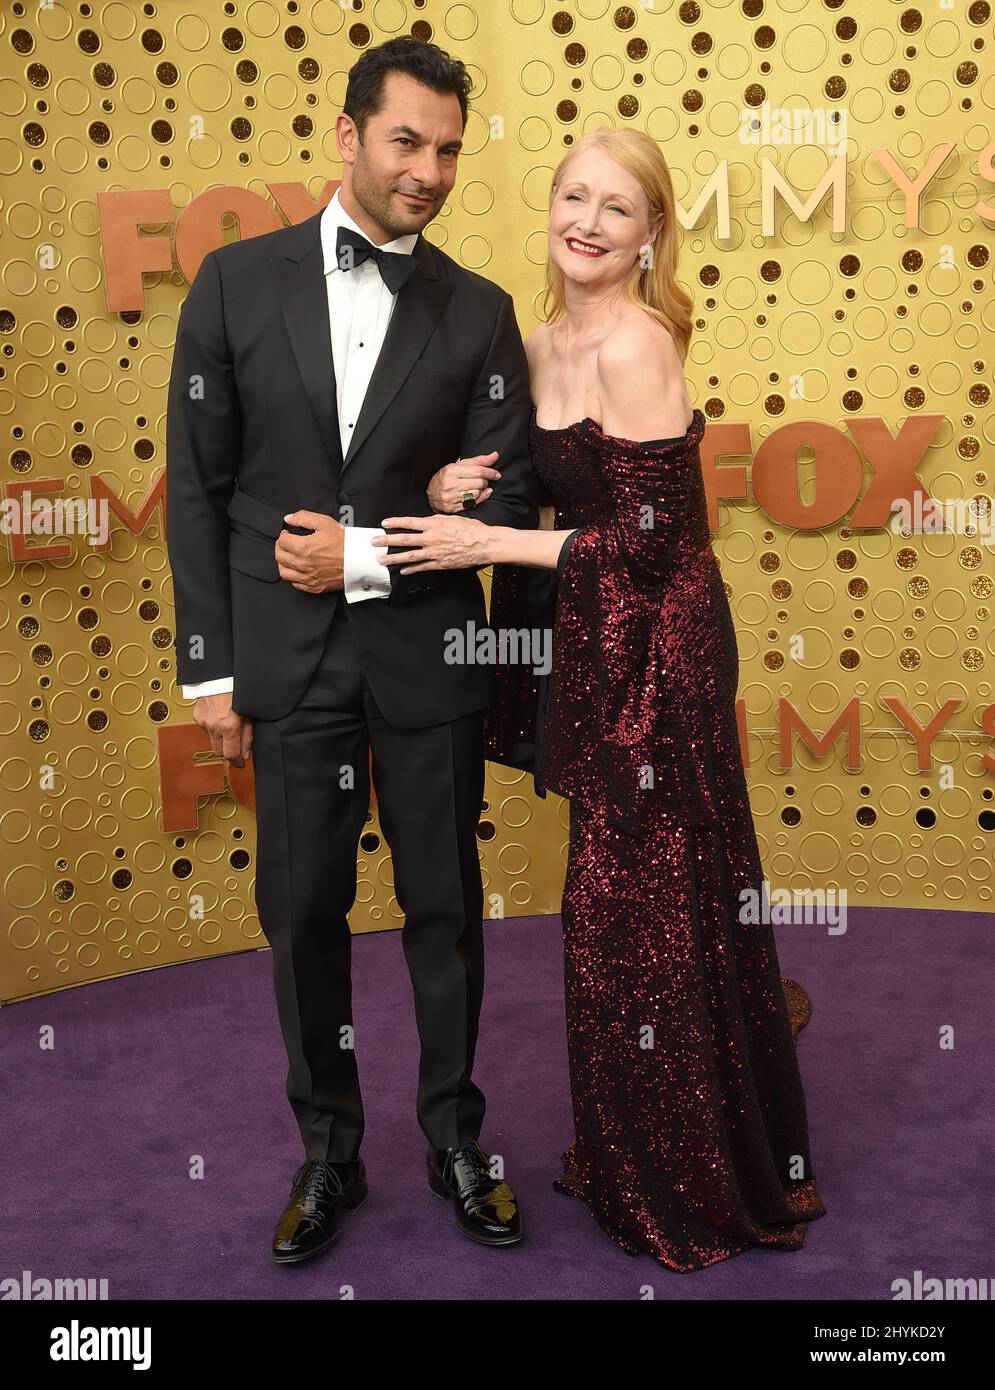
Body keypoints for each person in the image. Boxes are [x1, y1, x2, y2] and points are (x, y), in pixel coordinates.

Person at [373, 128, 828, 1271]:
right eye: (571, 195)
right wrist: (459, 484)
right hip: (593, 641)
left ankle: (696, 1176)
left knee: (657, 912)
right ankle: (635, 1148)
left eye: (614, 208)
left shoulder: (636, 347)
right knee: (610, 914)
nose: (585, 219)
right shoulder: (534, 341)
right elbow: (533, 487)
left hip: (660, 654)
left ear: (649, 235)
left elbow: (648, 539)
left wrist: (484, 539)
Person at [165, 37, 539, 1263]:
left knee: (443, 909)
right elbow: (204, 494)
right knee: (302, 913)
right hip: (288, 667)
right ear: (346, 134)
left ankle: (454, 1136)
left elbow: (507, 508)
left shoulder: (480, 311)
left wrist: (364, 553)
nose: (428, 171)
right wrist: (213, 673)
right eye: (406, 142)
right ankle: (328, 1151)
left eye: (446, 150)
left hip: (429, 659)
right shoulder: (229, 283)